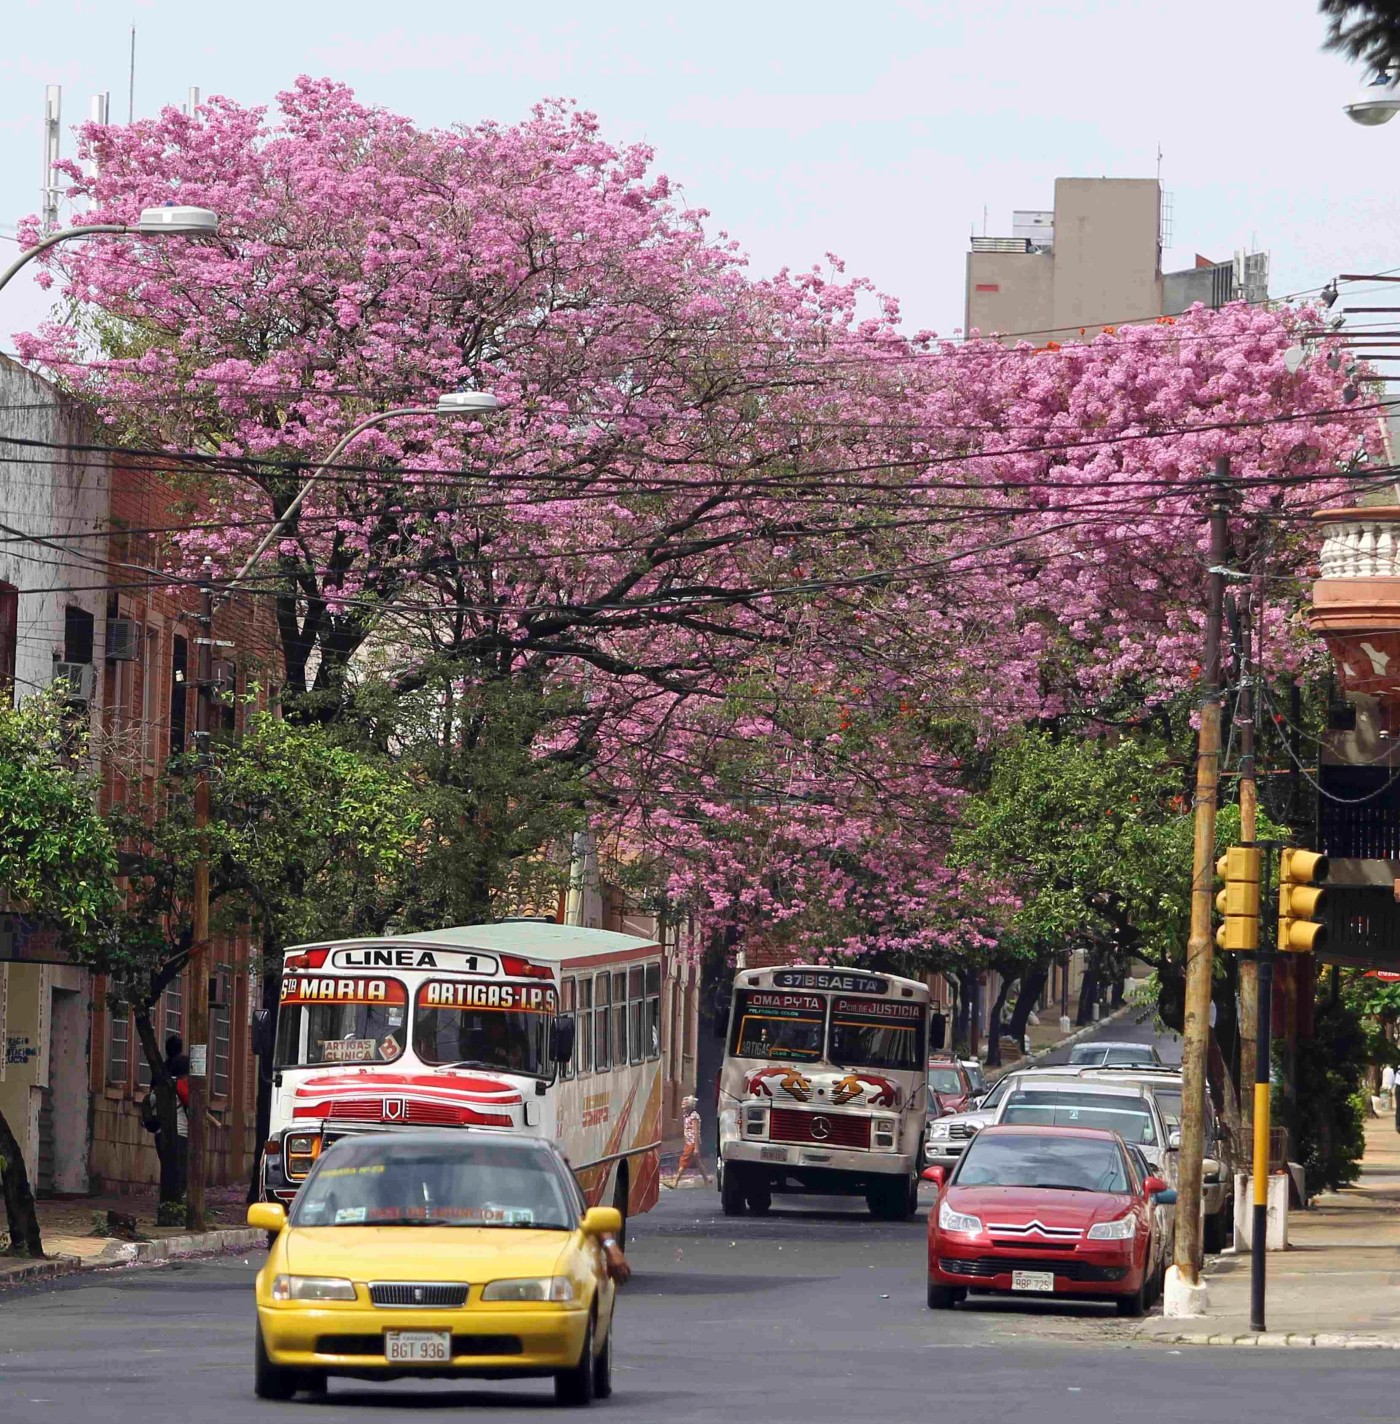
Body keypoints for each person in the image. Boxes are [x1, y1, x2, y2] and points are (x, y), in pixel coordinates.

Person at [667, 1094, 710, 1189]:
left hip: (692, 1143)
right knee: (698, 1162)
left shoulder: (694, 1116)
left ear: (690, 1105)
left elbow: (695, 1132)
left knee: (683, 1161)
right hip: (689, 1143)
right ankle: (706, 1181)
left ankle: (675, 1181)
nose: (682, 1104)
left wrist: (696, 1148)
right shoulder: (686, 1115)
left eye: (685, 1103)